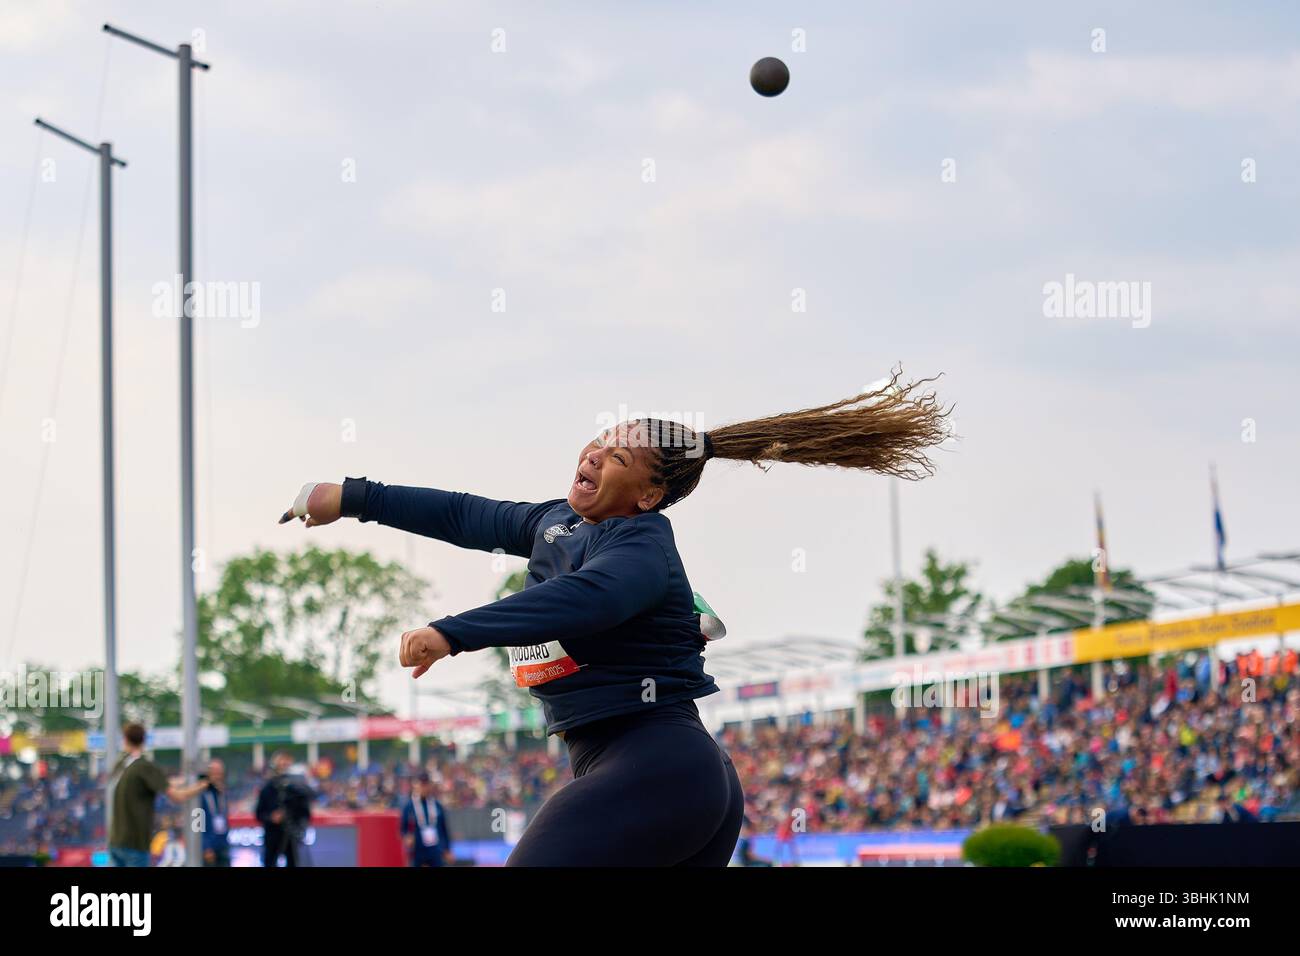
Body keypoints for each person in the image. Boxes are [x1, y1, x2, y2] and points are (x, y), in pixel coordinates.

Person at [281, 374, 949, 865]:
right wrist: (351, 497)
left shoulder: (642, 543)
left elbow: (589, 599)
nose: (596, 455)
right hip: (666, 776)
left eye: (619, 458)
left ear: (650, 493)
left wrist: (455, 632)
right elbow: (462, 514)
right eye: (600, 443)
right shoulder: (554, 522)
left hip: (659, 769)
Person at [107, 723, 209, 868]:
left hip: (116, 841)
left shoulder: (120, 765)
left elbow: (155, 783)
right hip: (136, 842)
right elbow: (177, 796)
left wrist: (180, 781)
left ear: (125, 739)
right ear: (144, 739)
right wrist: (200, 786)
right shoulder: (144, 766)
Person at [255, 751, 313, 867]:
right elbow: (259, 813)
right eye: (280, 764)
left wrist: (299, 826)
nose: (283, 767)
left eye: (286, 764)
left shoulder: (298, 788)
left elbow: (306, 810)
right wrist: (271, 817)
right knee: (270, 862)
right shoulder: (267, 788)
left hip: (292, 835)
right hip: (273, 835)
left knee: (294, 862)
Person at [400, 772, 454, 867]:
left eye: (426, 785)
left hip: (435, 849)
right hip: (417, 850)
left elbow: (444, 829)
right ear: (417, 786)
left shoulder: (437, 805)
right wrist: (406, 837)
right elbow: (403, 829)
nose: (424, 788)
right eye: (422, 785)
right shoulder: (409, 807)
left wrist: (447, 849)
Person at [199, 759, 231, 867]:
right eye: (214, 772)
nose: (217, 776)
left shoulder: (223, 793)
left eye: (220, 773)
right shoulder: (200, 793)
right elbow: (196, 824)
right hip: (208, 847)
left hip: (222, 844)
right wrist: (205, 846)